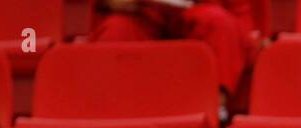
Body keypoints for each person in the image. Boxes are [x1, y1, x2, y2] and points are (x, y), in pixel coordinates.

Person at [91, 0, 255, 96]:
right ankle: (109, 114)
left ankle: (215, 113)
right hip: (142, 15)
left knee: (219, 24)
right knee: (116, 29)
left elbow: (240, 24)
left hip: (201, 16)